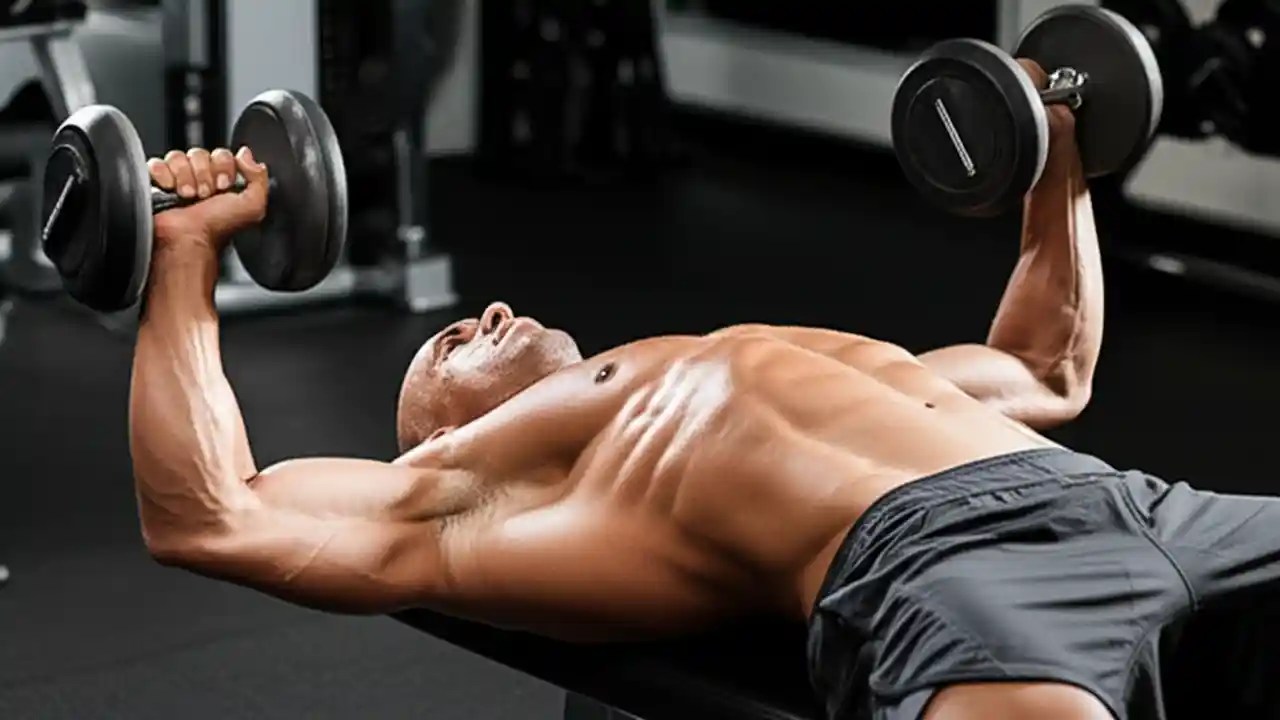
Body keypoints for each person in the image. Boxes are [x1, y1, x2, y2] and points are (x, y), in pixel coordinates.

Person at [128, 62, 1275, 720]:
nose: (479, 316)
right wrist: (183, 255)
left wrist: (1053, 155)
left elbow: (1043, 367)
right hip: (942, 573)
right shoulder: (487, 493)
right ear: (450, 440)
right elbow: (209, 514)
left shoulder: (759, 362)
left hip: (1127, 501)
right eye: (445, 354)